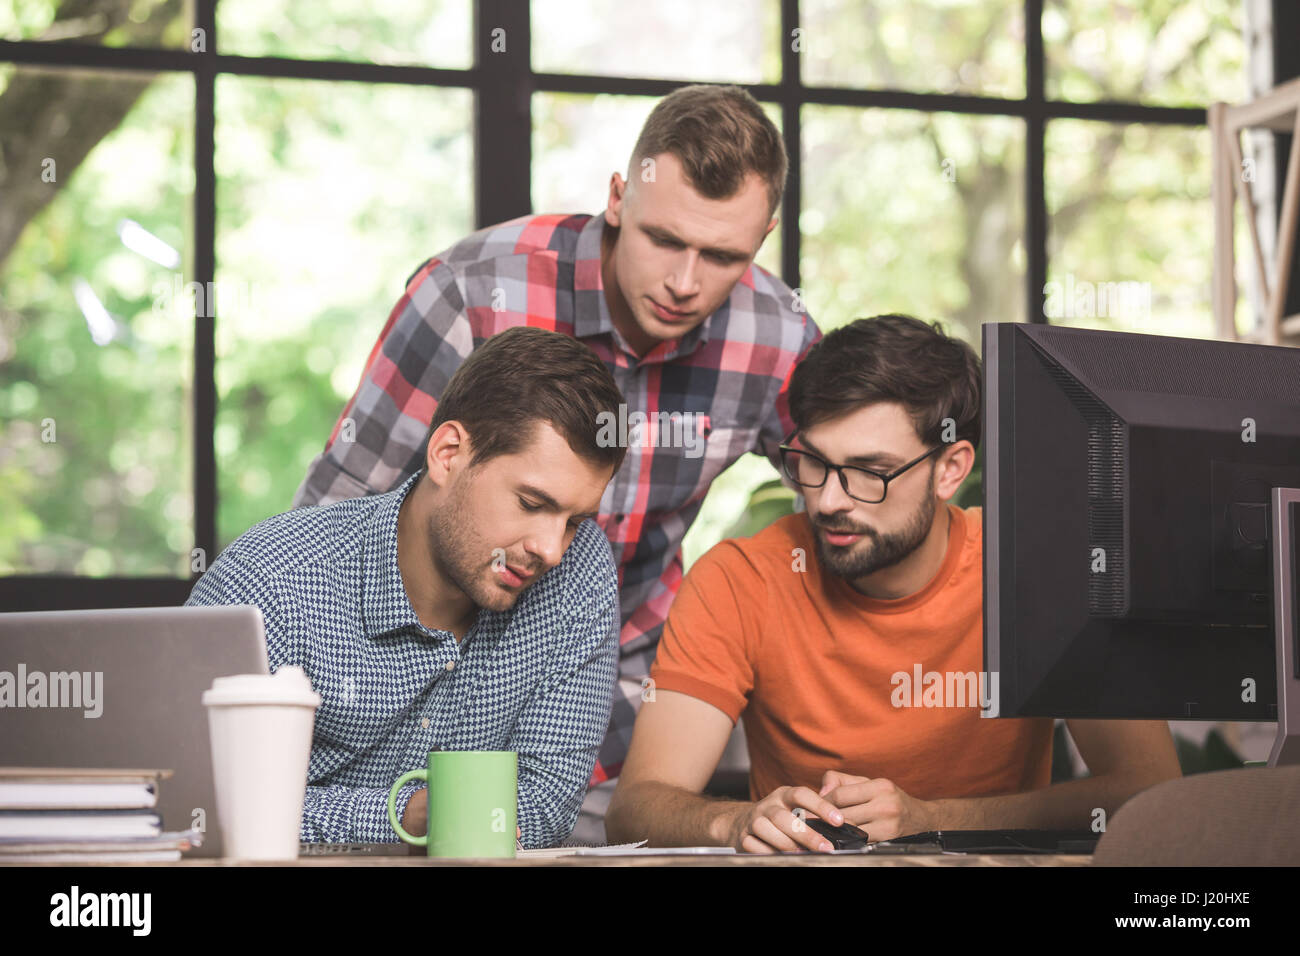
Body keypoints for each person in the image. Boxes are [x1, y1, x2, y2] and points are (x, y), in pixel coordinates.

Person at [290, 83, 821, 837]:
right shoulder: (470, 294)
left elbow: (854, 497)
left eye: (723, 256)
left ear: (763, 239)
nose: (684, 282)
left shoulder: (779, 338)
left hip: (624, 730)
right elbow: (331, 521)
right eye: (665, 240)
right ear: (616, 198)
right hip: (426, 717)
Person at [606, 314, 1183, 851]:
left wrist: (930, 818)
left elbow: (1146, 789)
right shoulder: (741, 578)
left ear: (950, 469)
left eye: (870, 472)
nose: (829, 500)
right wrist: (736, 821)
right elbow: (636, 807)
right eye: (813, 462)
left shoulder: (1040, 567)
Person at [186, 327, 628, 848]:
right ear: (447, 453)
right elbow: (197, 798)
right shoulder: (274, 578)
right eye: (532, 504)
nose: (552, 549)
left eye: (575, 519)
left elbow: (543, 808)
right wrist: (411, 814)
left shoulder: (578, 572)